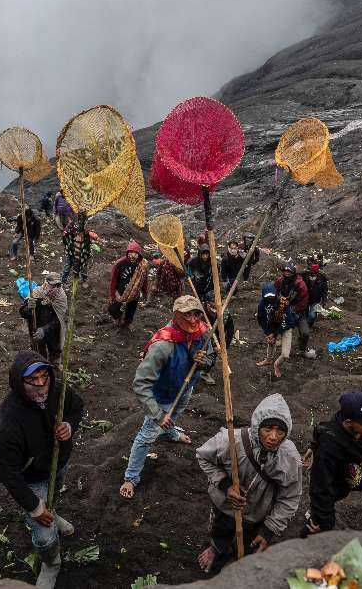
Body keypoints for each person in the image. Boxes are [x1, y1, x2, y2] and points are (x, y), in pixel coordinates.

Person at [0, 352, 84, 588]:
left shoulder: (58, 390)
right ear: (19, 383)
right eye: (33, 380)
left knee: (54, 493)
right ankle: (51, 563)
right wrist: (34, 506)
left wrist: (69, 425)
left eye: (45, 376)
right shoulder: (8, 422)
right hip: (31, 477)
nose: (42, 385)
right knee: (44, 537)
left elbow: (77, 407)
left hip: (58, 461)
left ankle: (52, 511)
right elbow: (8, 472)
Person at [119, 296, 216, 499]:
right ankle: (131, 477)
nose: (193, 320)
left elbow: (210, 357)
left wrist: (204, 362)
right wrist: (157, 414)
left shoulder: (203, 332)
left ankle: (169, 433)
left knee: (175, 414)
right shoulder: (163, 345)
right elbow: (140, 383)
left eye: (196, 314)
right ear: (176, 315)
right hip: (162, 395)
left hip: (186, 388)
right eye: (187, 315)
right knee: (147, 436)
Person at [195, 393, 303, 573]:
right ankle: (216, 549)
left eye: (280, 431)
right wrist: (225, 485)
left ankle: (237, 559)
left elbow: (290, 497)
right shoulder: (230, 441)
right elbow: (203, 457)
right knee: (220, 530)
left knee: (249, 541)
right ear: (257, 426)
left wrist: (269, 530)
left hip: (257, 513)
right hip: (224, 504)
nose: (273, 437)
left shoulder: (289, 458)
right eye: (267, 429)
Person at [302, 390, 362, 535]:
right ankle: (313, 524)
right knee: (316, 525)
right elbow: (320, 488)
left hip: (343, 479)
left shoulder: (356, 429)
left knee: (336, 494)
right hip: (332, 483)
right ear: (348, 423)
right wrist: (325, 522)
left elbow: (323, 428)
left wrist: (314, 445)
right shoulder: (329, 450)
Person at [256, 279, 302, 378]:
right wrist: (268, 333)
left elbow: (288, 322)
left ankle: (276, 364)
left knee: (285, 354)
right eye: (267, 297)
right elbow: (261, 319)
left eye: (272, 296)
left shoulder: (283, 303)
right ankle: (269, 359)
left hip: (286, 326)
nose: (270, 298)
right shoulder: (262, 304)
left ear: (275, 294)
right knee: (271, 341)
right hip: (272, 325)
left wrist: (275, 333)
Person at [20, 272, 68, 364]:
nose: (56, 289)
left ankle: (55, 365)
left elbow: (59, 319)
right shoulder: (36, 294)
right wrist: (29, 308)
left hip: (52, 331)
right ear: (46, 284)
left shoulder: (61, 298)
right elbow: (23, 313)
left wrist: (44, 330)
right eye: (53, 286)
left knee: (55, 351)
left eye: (58, 286)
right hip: (36, 329)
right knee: (39, 354)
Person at [109, 241, 150, 329]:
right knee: (116, 308)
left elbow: (144, 280)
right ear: (127, 253)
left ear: (139, 254)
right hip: (121, 291)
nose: (132, 255)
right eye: (131, 252)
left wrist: (145, 293)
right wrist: (112, 294)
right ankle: (118, 318)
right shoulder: (120, 263)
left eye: (135, 253)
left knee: (131, 308)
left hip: (135, 291)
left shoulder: (142, 265)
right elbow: (113, 280)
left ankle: (128, 321)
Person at [301, 255, 329, 359]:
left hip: (315, 300)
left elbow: (325, 289)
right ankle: (304, 330)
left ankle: (307, 328)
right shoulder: (303, 275)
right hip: (305, 299)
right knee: (304, 315)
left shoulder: (322, 276)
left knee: (312, 316)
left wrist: (324, 301)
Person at [60, 219, 97, 284]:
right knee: (68, 267)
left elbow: (94, 237)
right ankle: (63, 281)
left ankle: (84, 280)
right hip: (71, 253)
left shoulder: (85, 231)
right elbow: (66, 240)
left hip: (82, 254)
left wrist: (89, 234)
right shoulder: (69, 232)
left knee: (83, 268)